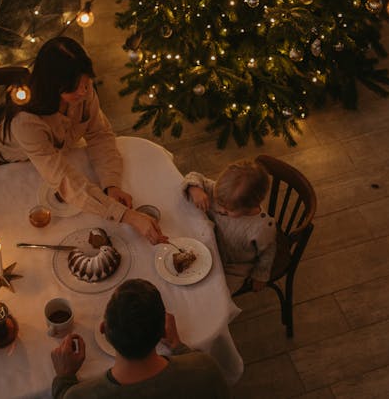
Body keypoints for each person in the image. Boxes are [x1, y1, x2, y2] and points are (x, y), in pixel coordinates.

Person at [0, 36, 164, 244]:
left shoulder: (83, 91)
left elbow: (99, 134)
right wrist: (125, 215)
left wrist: (111, 184)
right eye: (74, 87)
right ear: (52, 86)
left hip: (54, 159)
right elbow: (64, 180)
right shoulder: (25, 122)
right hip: (13, 168)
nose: (84, 92)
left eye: (86, 83)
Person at [50, 279, 229, 399]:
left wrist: (64, 378)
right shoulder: (205, 369)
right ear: (162, 330)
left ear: (103, 328)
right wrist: (178, 346)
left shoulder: (81, 395)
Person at [182, 160, 276, 293]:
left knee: (213, 293)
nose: (221, 210)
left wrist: (260, 276)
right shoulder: (224, 195)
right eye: (220, 205)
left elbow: (268, 252)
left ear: (251, 206)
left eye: (227, 210)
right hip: (208, 244)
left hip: (234, 266)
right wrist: (194, 188)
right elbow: (194, 176)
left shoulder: (262, 227)